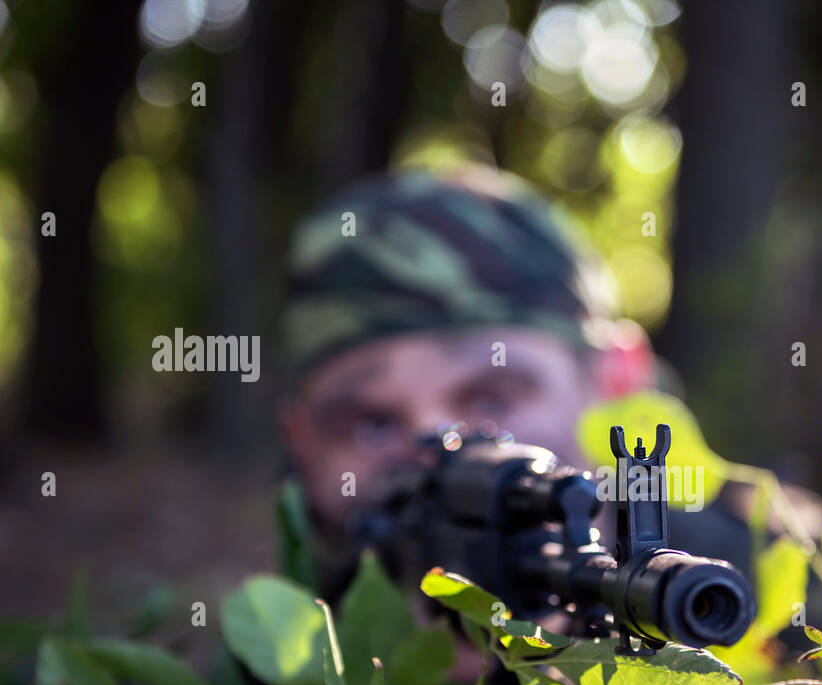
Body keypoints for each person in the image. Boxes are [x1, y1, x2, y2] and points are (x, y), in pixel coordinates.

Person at [273, 163, 776, 626]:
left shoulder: (787, 609)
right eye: (373, 424)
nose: (434, 454)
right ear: (301, 442)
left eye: (492, 401)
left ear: (618, 381)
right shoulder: (276, 674)